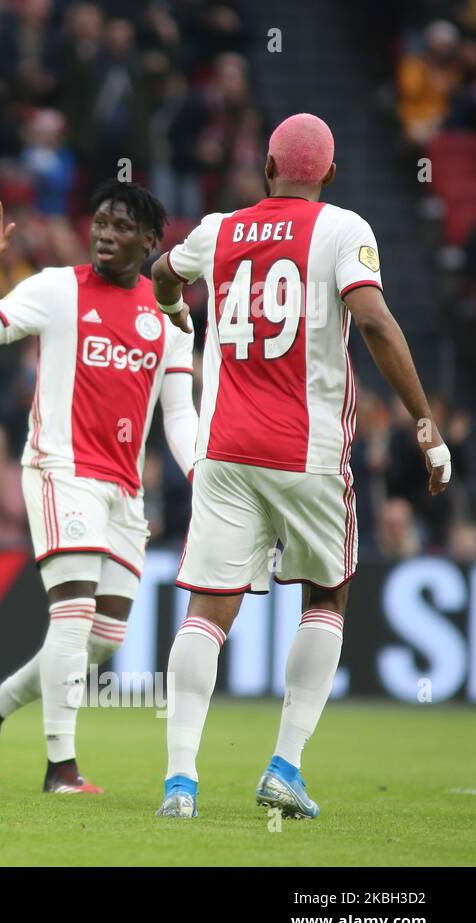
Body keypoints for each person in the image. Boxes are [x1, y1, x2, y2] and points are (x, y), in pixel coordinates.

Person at [149, 113, 452, 818]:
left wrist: (177, 311)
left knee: (206, 613)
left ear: (266, 168)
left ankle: (180, 785)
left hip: (224, 451)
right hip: (308, 453)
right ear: (331, 175)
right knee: (325, 598)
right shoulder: (343, 228)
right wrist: (423, 420)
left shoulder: (218, 228)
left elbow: (162, 275)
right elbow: (373, 321)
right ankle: (284, 767)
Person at [0, 184, 198, 793]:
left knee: (103, 640)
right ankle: (61, 768)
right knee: (73, 616)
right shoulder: (57, 289)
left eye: (122, 226)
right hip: (60, 470)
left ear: (150, 242)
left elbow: (179, 415)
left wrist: (204, 477)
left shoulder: (169, 316)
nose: (106, 234)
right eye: (100, 222)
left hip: (124, 490)